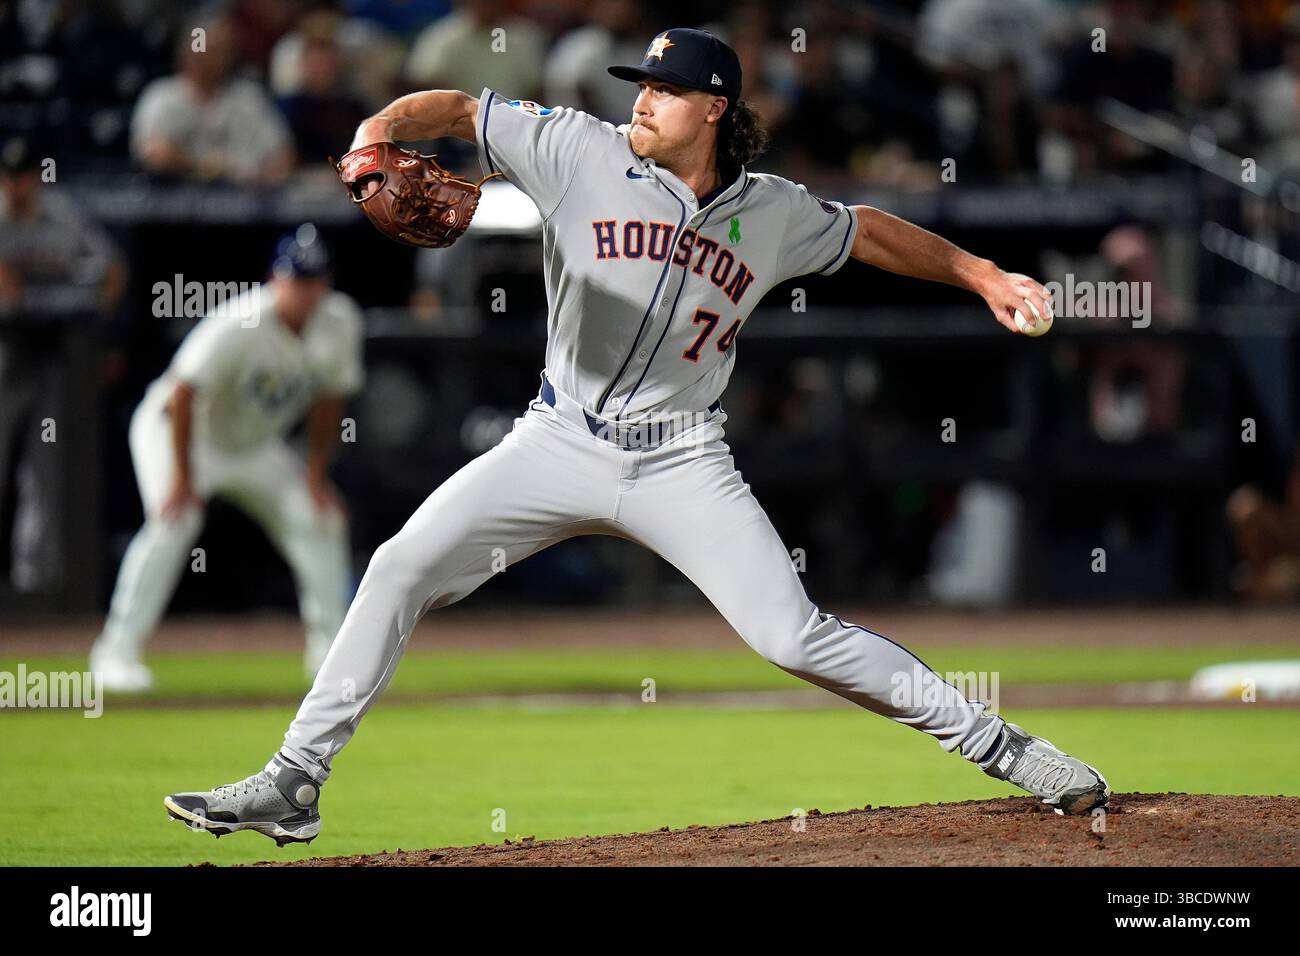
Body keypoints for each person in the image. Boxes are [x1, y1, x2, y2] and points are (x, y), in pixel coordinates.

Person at [164, 29, 1108, 847]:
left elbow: (864, 231)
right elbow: (451, 105)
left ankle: (1003, 747)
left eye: (661, 89)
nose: (642, 101)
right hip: (557, 439)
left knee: (792, 636)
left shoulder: (771, 211)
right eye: (640, 85)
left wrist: (985, 275)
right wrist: (377, 134)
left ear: (713, 108)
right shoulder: (575, 146)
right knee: (400, 565)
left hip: (683, 457)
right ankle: (295, 781)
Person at [89, 226, 363, 691]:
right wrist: (181, 478)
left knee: (320, 518)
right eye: (296, 279)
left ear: (327, 283)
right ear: (276, 279)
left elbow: (330, 402)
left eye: (314, 280)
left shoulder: (340, 322)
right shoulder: (241, 321)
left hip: (254, 446)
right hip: (180, 432)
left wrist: (316, 477)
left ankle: (328, 655)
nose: (304, 291)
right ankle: (115, 652)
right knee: (175, 521)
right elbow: (182, 392)